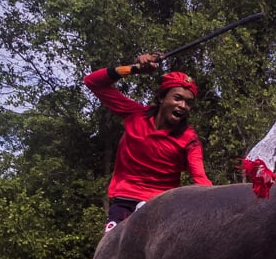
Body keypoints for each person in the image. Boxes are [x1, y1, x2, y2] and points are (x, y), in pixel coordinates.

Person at [85, 52, 213, 232]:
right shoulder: (135, 115)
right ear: (162, 98)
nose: (183, 106)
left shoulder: (189, 139)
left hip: (161, 206)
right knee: (110, 251)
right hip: (124, 202)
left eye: (189, 103)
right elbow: (92, 81)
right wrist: (133, 69)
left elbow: (200, 179)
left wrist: (218, 203)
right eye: (177, 98)